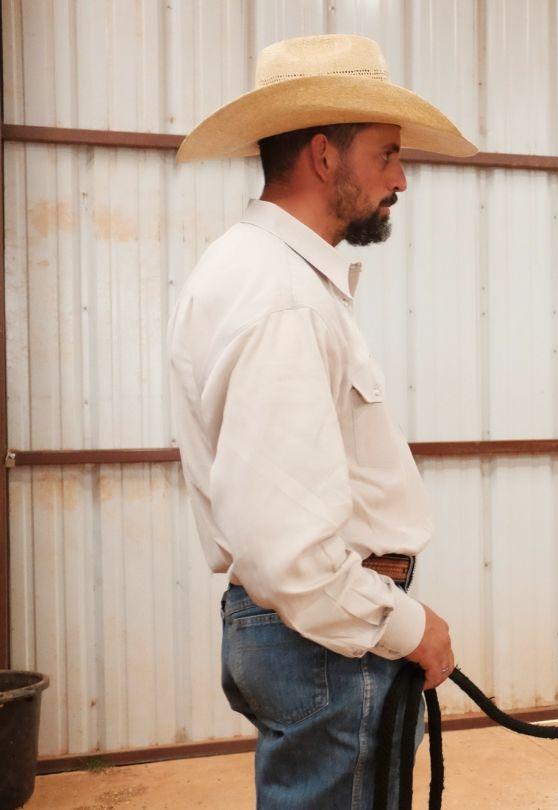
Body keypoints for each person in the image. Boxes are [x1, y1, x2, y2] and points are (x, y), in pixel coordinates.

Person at [168, 34, 477, 807]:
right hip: (332, 649)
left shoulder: (250, 274)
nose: (401, 179)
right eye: (387, 155)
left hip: (312, 639)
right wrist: (408, 626)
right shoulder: (284, 299)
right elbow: (294, 556)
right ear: (322, 156)